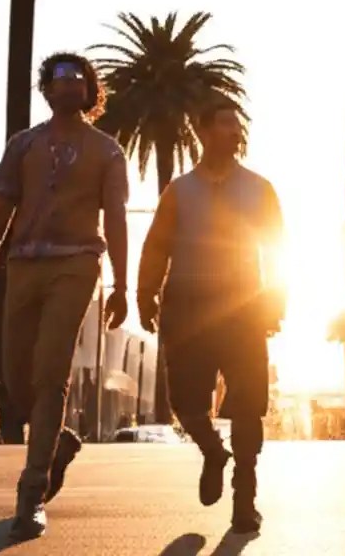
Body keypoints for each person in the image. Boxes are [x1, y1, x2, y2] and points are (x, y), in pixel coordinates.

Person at [0, 52, 129, 541]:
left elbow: (116, 218)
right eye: (60, 77)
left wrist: (122, 284)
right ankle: (56, 440)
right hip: (22, 263)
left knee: (50, 373)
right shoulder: (24, 144)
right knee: (14, 375)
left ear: (90, 90)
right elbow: (1, 206)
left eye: (79, 77)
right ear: (46, 88)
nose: (70, 83)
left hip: (77, 263)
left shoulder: (107, 151)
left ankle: (32, 492)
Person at [136, 97, 285, 535]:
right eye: (224, 124)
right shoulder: (179, 191)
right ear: (202, 131)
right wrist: (145, 293)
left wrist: (276, 298)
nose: (235, 132)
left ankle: (245, 499)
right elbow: (157, 246)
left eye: (237, 125)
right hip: (187, 306)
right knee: (186, 403)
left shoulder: (260, 188)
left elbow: (278, 246)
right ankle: (213, 452)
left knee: (248, 404)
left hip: (243, 306)